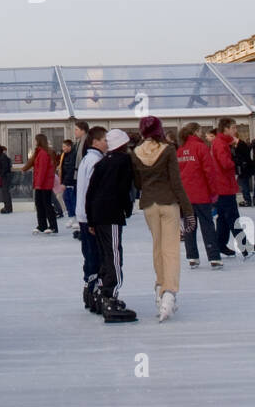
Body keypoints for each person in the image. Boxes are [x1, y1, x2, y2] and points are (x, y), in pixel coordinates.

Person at [131, 116, 193, 322]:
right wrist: (188, 211)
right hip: (168, 202)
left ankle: (160, 286)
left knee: (157, 246)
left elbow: (138, 183)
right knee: (171, 249)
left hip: (149, 204)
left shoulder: (136, 153)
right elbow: (177, 183)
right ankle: (169, 292)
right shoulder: (168, 150)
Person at [86, 128, 138, 322]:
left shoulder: (101, 163)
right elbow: (124, 188)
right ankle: (110, 296)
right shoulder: (123, 162)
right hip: (111, 214)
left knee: (105, 253)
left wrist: (90, 219)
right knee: (115, 254)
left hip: (98, 215)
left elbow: (90, 192)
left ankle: (100, 292)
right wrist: (127, 209)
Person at [175, 122, 220, 269]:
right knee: (207, 225)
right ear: (195, 132)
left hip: (186, 196)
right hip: (201, 194)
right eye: (200, 131)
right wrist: (213, 192)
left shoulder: (180, 150)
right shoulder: (201, 147)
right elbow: (209, 171)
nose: (202, 133)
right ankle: (213, 257)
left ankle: (192, 257)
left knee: (189, 226)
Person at [209, 119, 254, 257]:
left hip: (223, 185)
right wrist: (235, 162)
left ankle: (219, 245)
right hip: (224, 185)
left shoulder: (221, 142)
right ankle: (245, 246)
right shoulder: (220, 143)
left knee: (223, 217)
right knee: (232, 216)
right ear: (226, 129)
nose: (235, 130)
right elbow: (225, 163)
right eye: (233, 127)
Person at [76, 126, 107, 311]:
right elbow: (91, 191)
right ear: (96, 141)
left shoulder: (87, 159)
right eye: (105, 140)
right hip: (89, 216)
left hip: (84, 214)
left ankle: (89, 288)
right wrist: (92, 217)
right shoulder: (95, 161)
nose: (107, 144)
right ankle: (93, 291)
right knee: (94, 255)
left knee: (89, 254)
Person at [24, 134, 58, 234]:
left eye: (35, 140)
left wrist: (38, 184)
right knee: (39, 204)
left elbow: (42, 170)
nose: (34, 142)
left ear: (39, 141)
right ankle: (42, 225)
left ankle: (53, 226)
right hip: (41, 183)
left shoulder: (43, 153)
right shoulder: (39, 152)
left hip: (44, 184)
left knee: (46, 205)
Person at [60, 120, 88, 230]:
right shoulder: (78, 143)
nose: (74, 132)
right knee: (70, 197)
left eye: (76, 130)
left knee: (74, 197)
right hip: (76, 177)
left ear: (83, 130)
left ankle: (80, 219)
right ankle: (75, 217)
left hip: (79, 176)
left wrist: (67, 181)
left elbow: (77, 163)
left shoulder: (85, 143)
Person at [0, 144, 13, 214]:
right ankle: (8, 207)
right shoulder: (1, 156)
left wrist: (0, 174)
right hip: (5, 176)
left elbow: (5, 168)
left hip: (5, 176)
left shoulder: (2, 157)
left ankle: (8, 208)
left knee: (5, 192)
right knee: (5, 192)